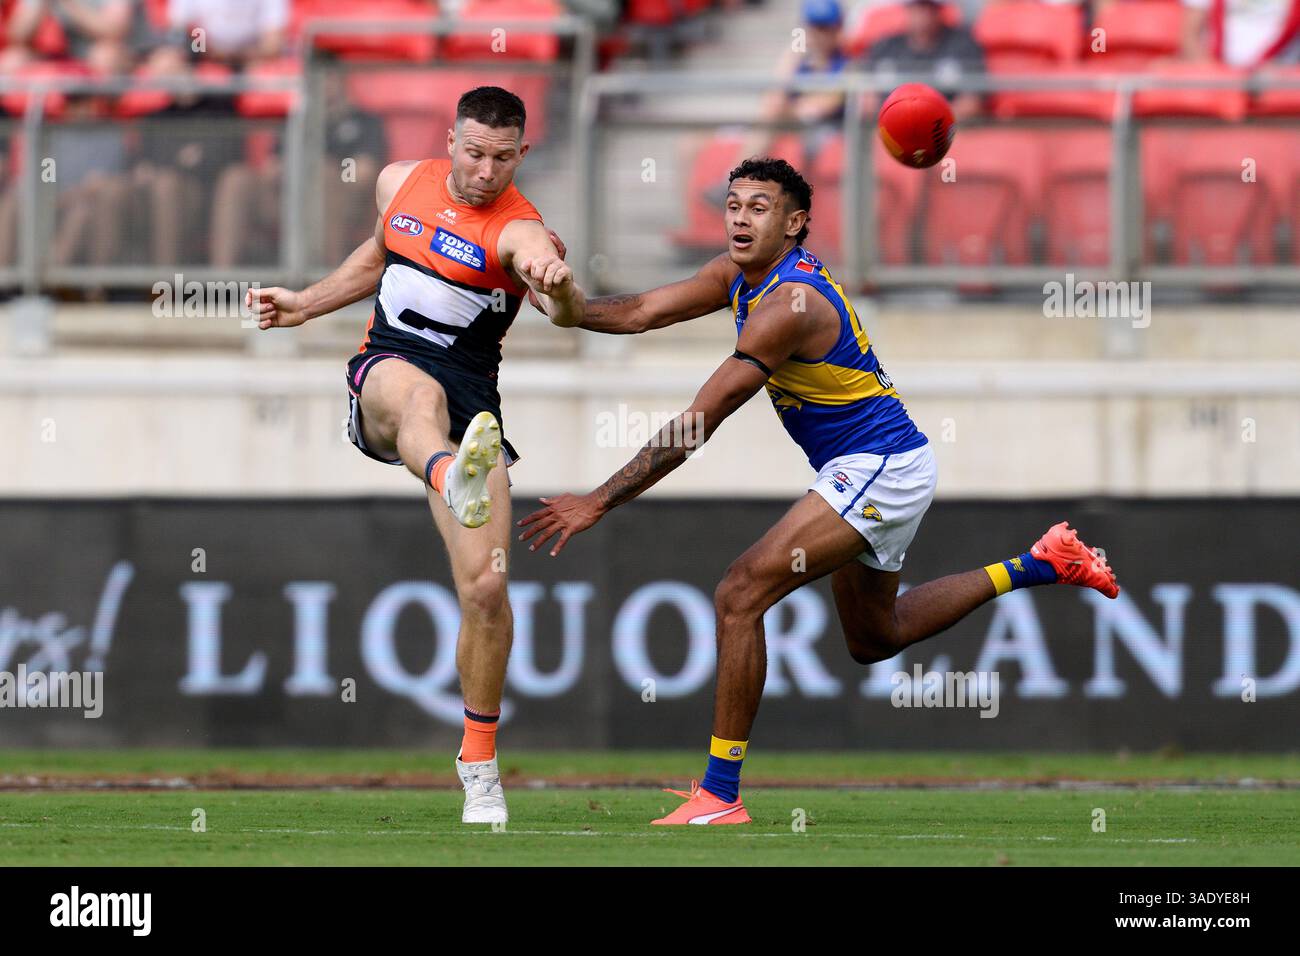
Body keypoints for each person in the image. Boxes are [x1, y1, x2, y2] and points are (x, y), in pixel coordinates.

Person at [519, 157, 1119, 825]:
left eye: (759, 207)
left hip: (879, 464)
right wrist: (561, 305)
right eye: (733, 203)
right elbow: (637, 312)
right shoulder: (736, 277)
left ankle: (720, 796)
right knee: (874, 638)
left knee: (739, 593)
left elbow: (698, 423)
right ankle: (1038, 564)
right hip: (883, 464)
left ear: (795, 222)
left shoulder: (787, 307)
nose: (740, 218)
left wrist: (600, 498)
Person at [246, 87, 583, 825]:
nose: (485, 170)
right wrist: (306, 303)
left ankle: (479, 765)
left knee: (487, 594)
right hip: (388, 376)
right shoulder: (399, 180)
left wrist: (556, 288)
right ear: (450, 138)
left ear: (521, 156)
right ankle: (445, 472)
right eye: (473, 151)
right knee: (419, 399)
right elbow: (379, 255)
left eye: (502, 158)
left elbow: (557, 297)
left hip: (475, 407)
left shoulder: (521, 232)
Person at [861, 0, 985, 122]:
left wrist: (927, 122)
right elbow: (866, 99)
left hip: (946, 132)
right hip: (889, 129)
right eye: (917, 7)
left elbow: (972, 103)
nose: (923, 15)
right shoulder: (885, 45)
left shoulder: (963, 44)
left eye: (929, 7)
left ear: (939, 10)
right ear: (907, 9)